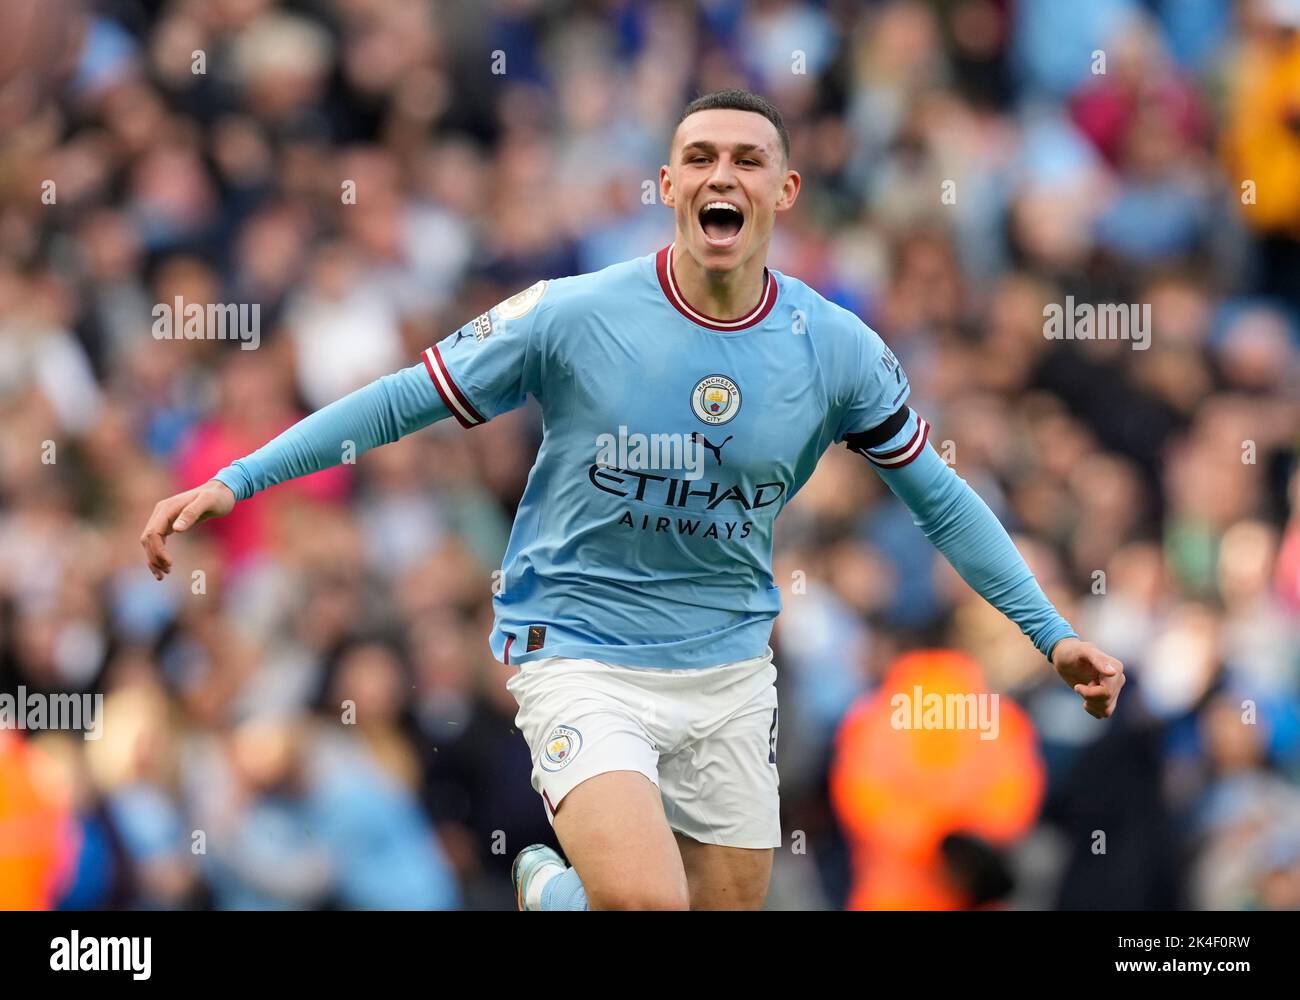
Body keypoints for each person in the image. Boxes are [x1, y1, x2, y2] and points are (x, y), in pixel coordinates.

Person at [140, 89, 1126, 911]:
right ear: (666, 186)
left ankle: (561, 897)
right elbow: (405, 398)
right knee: (650, 907)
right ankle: (565, 890)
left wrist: (1049, 634)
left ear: (783, 190)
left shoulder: (838, 352)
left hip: (727, 662)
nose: (720, 176)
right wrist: (240, 476)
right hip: (577, 646)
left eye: (746, 159)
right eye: (698, 157)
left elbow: (942, 503)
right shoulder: (571, 314)